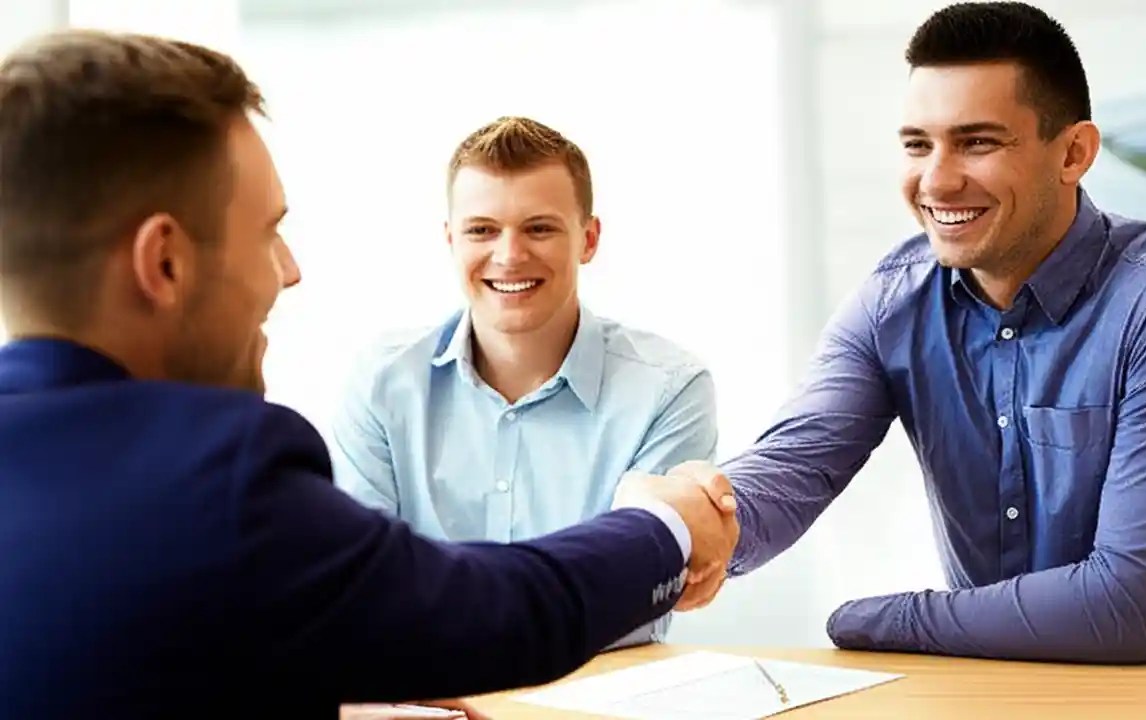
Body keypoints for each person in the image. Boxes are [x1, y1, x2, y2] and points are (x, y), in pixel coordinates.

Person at [0, 30, 737, 719]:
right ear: (165, 263)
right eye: (268, 232)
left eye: (538, 227)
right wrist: (666, 524)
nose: (291, 270)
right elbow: (495, 614)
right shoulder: (223, 477)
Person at [672, 1, 1146, 662]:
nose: (936, 180)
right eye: (917, 145)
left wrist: (872, 621)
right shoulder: (891, 304)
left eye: (977, 142)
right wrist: (679, 522)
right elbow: (790, 469)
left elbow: (1127, 606)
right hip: (996, 691)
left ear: (1074, 153)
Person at [331, 116, 717, 647]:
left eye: (539, 228)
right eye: (481, 230)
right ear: (450, 240)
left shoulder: (670, 392)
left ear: (588, 239)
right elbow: (359, 591)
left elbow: (632, 594)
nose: (509, 255)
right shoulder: (381, 384)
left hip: (600, 688)